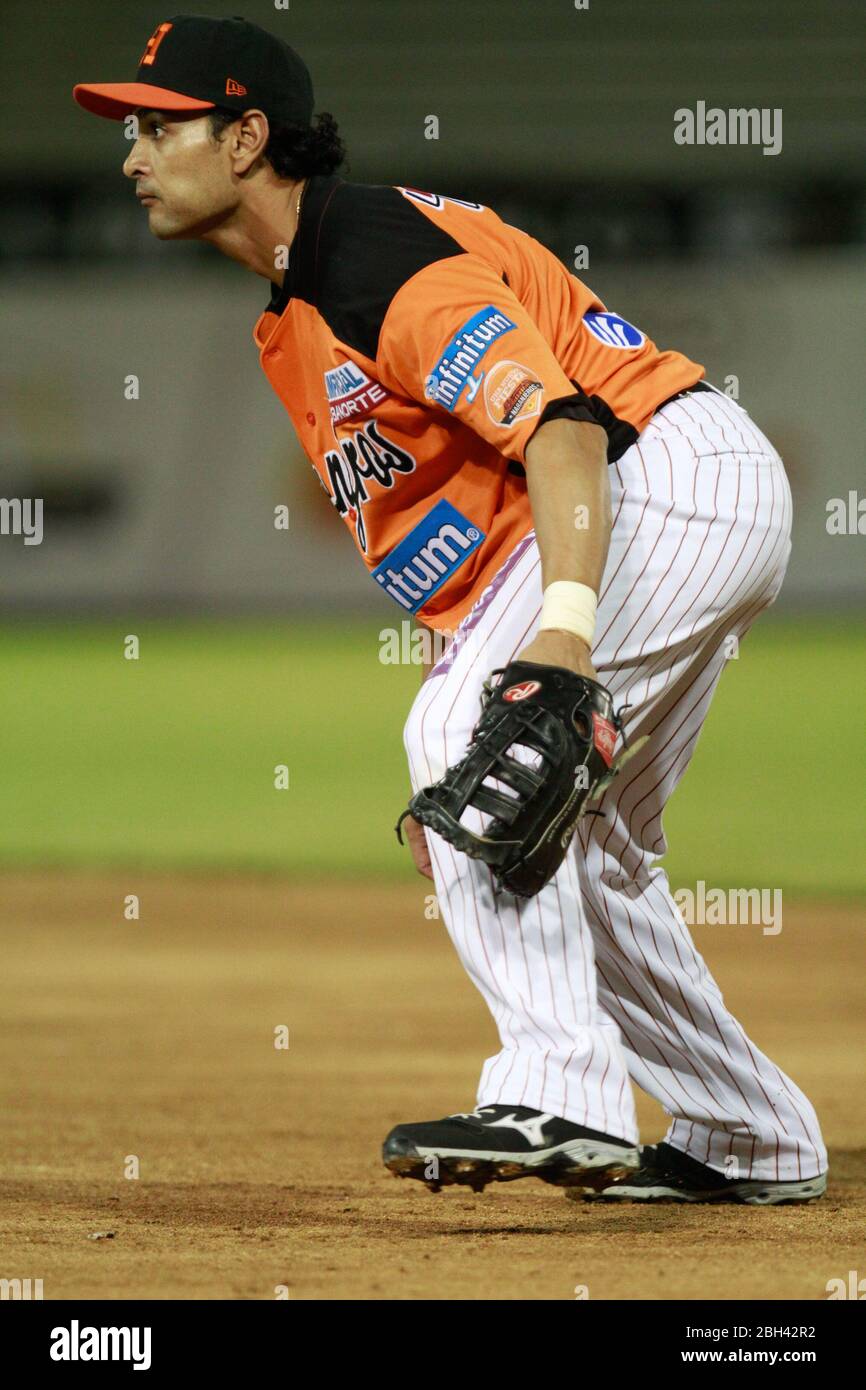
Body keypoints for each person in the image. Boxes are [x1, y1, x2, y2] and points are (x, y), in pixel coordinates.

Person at [74, 13, 827, 1205]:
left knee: (474, 741)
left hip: (655, 480)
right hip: (660, 498)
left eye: (159, 125)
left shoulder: (363, 250)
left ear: (247, 136)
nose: (130, 154)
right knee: (576, 839)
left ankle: (557, 1090)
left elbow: (563, 425)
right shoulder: (294, 315)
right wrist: (501, 702)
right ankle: (751, 1136)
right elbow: (470, 550)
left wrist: (557, 646)